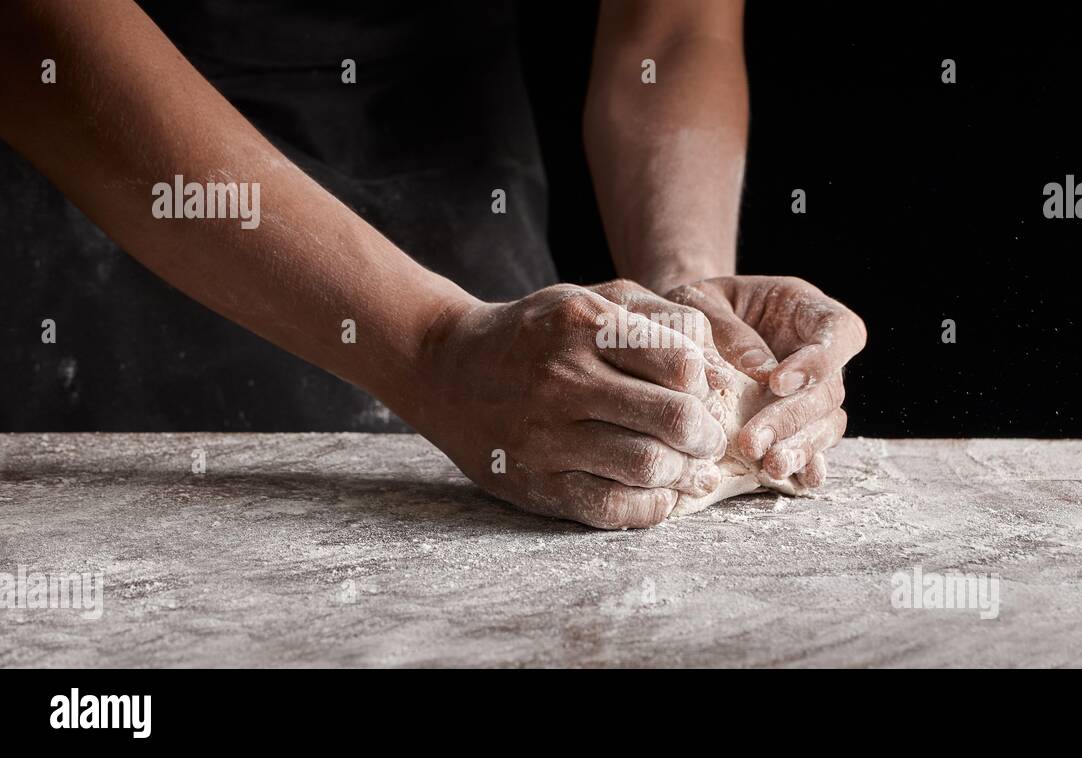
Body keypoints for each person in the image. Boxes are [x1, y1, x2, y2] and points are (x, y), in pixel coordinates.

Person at [0, 0, 865, 528]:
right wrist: (429, 346)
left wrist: (689, 300)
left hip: (456, 172)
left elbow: (673, 27)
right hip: (113, 164)